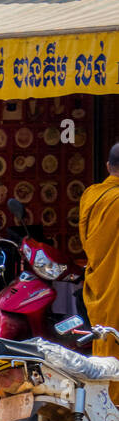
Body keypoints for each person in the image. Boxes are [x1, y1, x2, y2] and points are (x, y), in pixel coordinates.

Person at [79, 141, 119, 403]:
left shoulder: (91, 195)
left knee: (104, 340)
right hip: (115, 282)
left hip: (99, 280)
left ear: (107, 166)